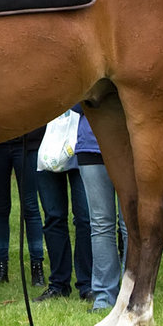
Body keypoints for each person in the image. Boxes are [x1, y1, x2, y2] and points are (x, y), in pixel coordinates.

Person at [35, 110, 93, 302]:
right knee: (53, 218)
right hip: (47, 145)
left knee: (85, 219)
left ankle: (87, 284)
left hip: (82, 146)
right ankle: (58, 284)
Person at [76, 117, 126, 312]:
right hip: (92, 147)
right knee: (101, 225)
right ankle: (105, 297)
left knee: (126, 226)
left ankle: (127, 294)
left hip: (127, 146)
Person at [0, 130, 46, 287]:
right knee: (0, 208)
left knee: (30, 207)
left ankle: (37, 267)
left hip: (27, 143)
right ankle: (1, 267)